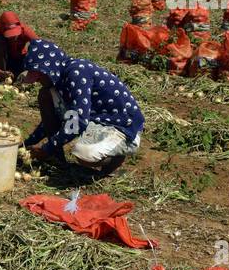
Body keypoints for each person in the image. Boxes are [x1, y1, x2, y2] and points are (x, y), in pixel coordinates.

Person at [18, 39, 143, 172]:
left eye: (39, 77)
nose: (38, 81)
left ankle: (114, 161)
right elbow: (52, 119)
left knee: (84, 154)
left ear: (50, 69)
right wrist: (25, 145)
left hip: (121, 125)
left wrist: (47, 148)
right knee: (45, 95)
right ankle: (56, 158)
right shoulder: (58, 81)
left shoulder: (76, 72)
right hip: (96, 119)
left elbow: (78, 121)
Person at [0, 10, 38, 82]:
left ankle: (22, 76)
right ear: (2, 30)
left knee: (34, 48)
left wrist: (33, 71)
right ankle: (3, 79)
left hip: (20, 60)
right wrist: (0, 72)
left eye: (16, 34)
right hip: (4, 62)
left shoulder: (25, 30)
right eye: (10, 35)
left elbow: (40, 47)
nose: (14, 37)